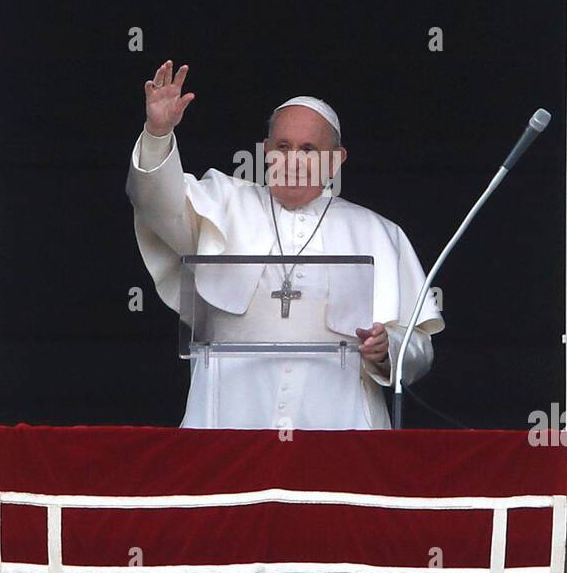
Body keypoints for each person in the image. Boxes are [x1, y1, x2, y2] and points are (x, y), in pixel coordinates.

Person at [127, 60, 443, 429]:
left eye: (309, 149)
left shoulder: (378, 232)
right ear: (266, 151)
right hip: (227, 418)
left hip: (338, 426)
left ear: (336, 161)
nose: (293, 159)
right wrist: (158, 133)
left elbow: (419, 348)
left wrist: (388, 347)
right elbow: (155, 204)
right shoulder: (224, 202)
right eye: (283, 146)